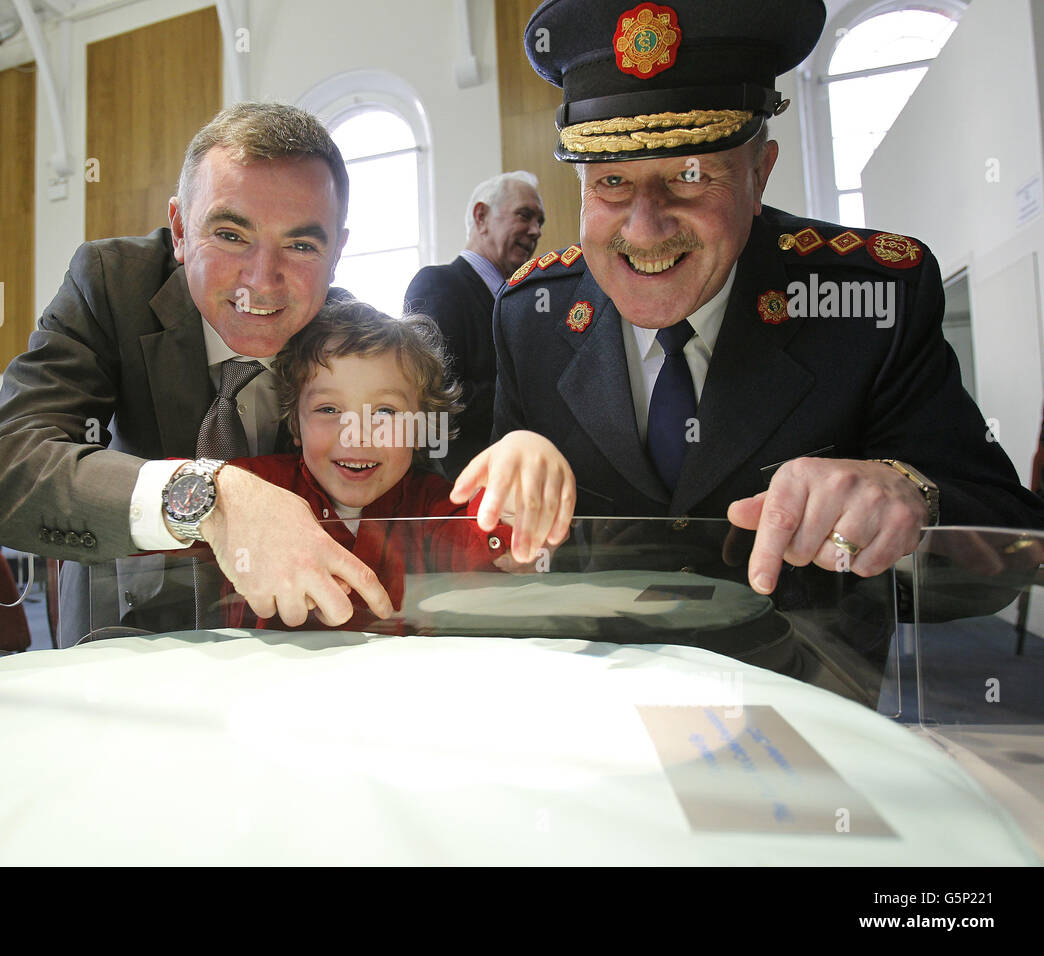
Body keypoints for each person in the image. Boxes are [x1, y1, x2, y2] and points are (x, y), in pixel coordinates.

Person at [492, 0, 1044, 600]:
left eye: (690, 176)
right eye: (613, 181)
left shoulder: (871, 301)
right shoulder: (530, 319)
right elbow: (496, 542)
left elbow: (1006, 537)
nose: (645, 230)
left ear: (761, 173)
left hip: (807, 681)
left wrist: (909, 495)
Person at [0, 102, 571, 642]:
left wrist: (515, 483)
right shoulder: (110, 284)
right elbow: (1, 472)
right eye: (230, 234)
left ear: (338, 251)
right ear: (178, 229)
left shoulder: (348, 336)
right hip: (125, 645)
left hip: (292, 661)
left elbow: (419, 483)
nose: (263, 279)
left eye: (303, 246)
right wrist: (208, 496)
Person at [214, 300, 564, 632]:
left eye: (384, 412)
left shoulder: (436, 508)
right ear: (294, 425)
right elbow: (169, 501)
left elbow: (488, 547)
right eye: (329, 410)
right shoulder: (255, 485)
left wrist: (519, 478)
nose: (356, 436)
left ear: (421, 428)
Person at [405, 172, 545, 479]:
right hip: (460, 489)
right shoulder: (438, 283)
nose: (535, 231)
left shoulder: (521, 303)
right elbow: (434, 396)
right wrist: (540, 392)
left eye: (540, 222)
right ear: (481, 216)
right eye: (525, 215)